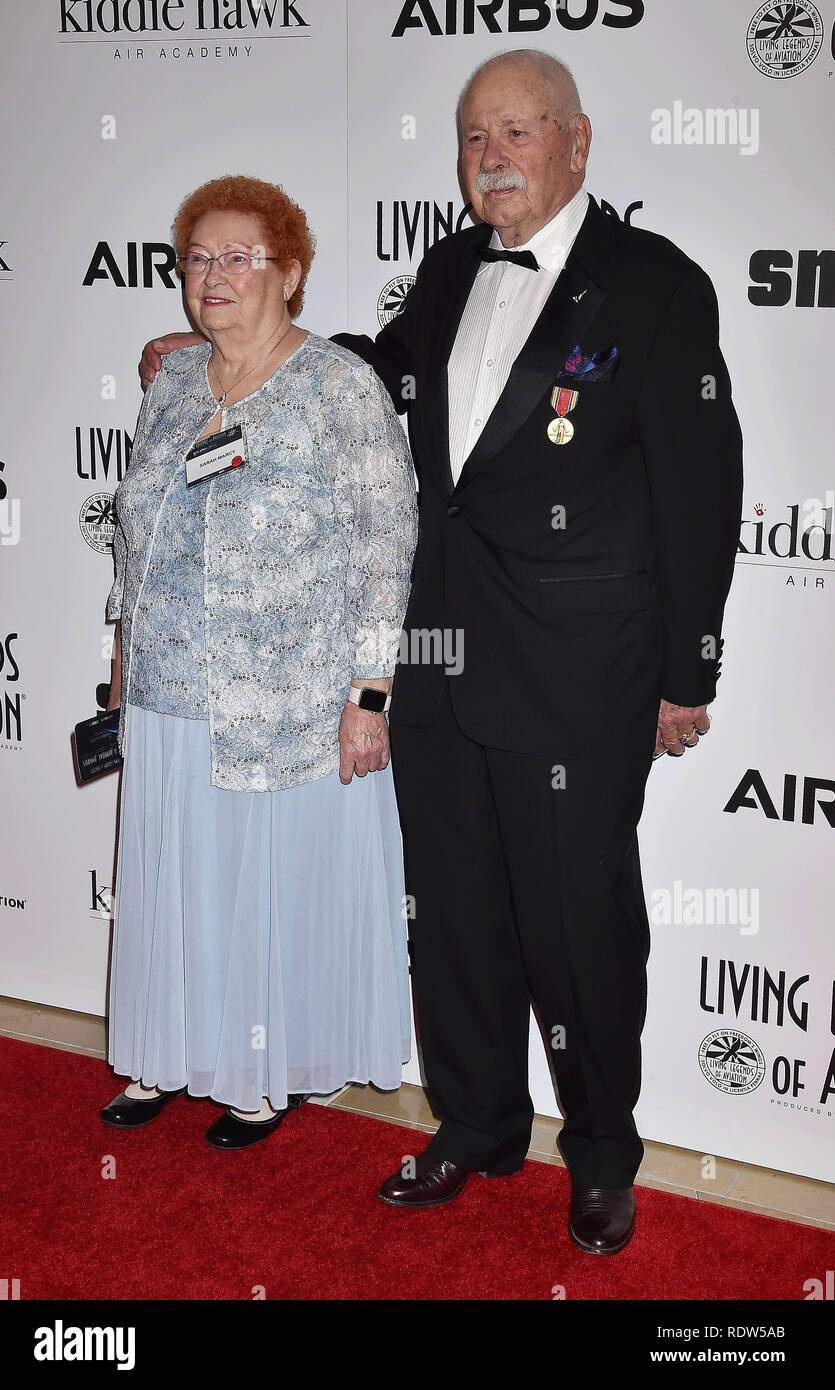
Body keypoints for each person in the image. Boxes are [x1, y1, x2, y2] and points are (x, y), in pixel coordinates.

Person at [139, 51, 743, 1250]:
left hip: (578, 666)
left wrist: (688, 672)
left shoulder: (657, 286)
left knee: (575, 921)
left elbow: (701, 489)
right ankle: (473, 1122)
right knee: (455, 907)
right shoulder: (451, 263)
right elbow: (387, 371)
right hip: (437, 646)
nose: (491, 156)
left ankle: (603, 1154)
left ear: (576, 141)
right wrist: (245, 335)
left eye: (517, 131)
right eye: (474, 136)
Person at [103, 175, 417, 1151]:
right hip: (166, 688)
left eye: (240, 256)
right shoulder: (171, 381)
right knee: (175, 880)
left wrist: (370, 694)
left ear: (289, 271)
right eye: (198, 256)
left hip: (281, 695)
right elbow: (137, 529)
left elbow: (384, 545)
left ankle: (258, 1072)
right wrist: (119, 649)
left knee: (256, 885)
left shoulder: (334, 385)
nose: (215, 274)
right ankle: (164, 1055)